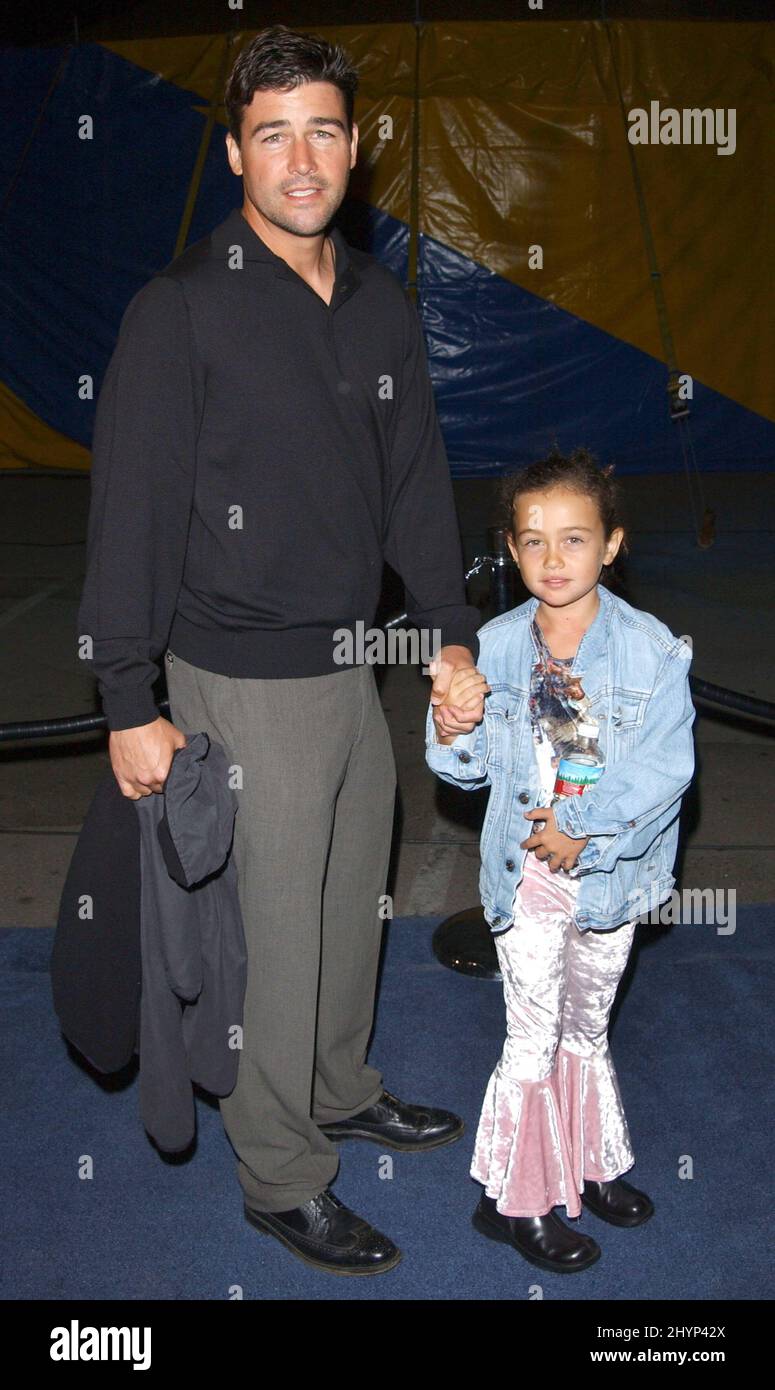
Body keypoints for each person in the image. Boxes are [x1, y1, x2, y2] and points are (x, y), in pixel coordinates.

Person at [77, 24, 486, 1278]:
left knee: (347, 903)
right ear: (236, 153)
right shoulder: (184, 308)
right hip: (238, 680)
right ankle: (280, 1171)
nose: (299, 156)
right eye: (272, 133)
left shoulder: (375, 303)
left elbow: (416, 483)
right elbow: (131, 508)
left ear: (354, 151)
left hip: (352, 667)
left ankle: (339, 1084)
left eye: (321, 129)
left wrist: (449, 639)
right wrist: (127, 694)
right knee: (270, 935)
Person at [426, 446, 696, 1274]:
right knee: (533, 1037)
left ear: (611, 544)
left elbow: (666, 767)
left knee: (586, 1028)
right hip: (526, 877)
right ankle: (519, 1201)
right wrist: (450, 726)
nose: (552, 559)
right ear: (509, 550)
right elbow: (460, 775)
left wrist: (584, 825)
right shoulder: (494, 647)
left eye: (573, 539)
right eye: (533, 540)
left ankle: (585, 1162)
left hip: (610, 876)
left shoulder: (651, 650)